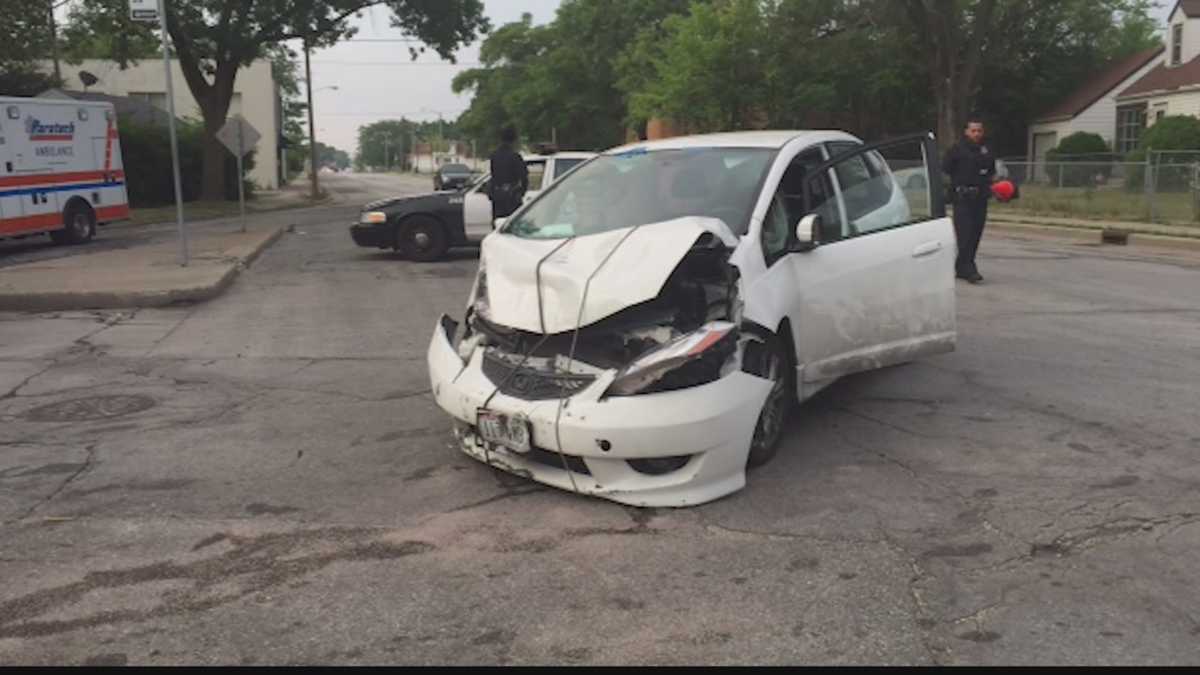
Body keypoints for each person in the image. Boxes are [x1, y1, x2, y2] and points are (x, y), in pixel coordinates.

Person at [942, 116, 997, 284]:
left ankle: (961, 266)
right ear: (966, 131)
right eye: (973, 130)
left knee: (975, 234)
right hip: (962, 199)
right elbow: (946, 169)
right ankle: (969, 268)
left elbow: (991, 172)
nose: (977, 133)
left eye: (979, 130)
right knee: (964, 234)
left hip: (980, 198)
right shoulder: (957, 149)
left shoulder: (986, 150)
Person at [488, 126, 529, 219]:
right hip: (512, 200)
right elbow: (524, 178)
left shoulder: (494, 156)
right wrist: (521, 193)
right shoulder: (515, 156)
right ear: (514, 139)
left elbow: (493, 176)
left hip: (497, 198)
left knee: (499, 226)